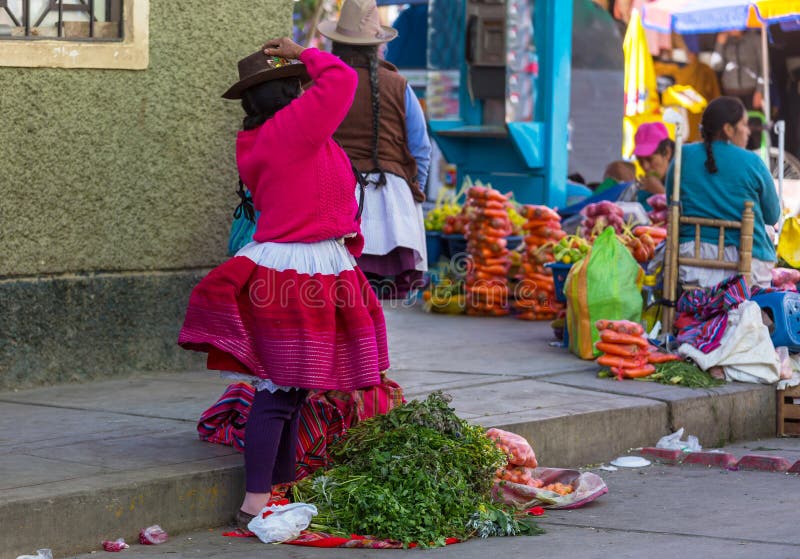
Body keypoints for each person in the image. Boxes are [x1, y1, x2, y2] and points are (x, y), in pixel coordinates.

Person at [177, 37, 389, 529]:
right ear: (283, 92)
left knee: (292, 389)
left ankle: (280, 487)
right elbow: (342, 79)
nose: (302, 86)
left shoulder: (261, 138)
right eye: (295, 81)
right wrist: (305, 50)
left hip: (300, 264)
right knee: (279, 393)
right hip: (300, 272)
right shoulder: (293, 130)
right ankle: (256, 500)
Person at [318, 0, 432, 300]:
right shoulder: (398, 84)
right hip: (393, 209)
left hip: (336, 202)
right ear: (376, 47)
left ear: (338, 45)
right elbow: (421, 148)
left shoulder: (322, 84)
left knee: (338, 298)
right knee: (376, 306)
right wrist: (414, 190)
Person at [666, 96, 780, 288]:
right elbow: (772, 215)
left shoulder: (682, 156)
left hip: (690, 266)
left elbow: (671, 205)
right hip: (746, 271)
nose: (748, 131)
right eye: (744, 125)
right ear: (728, 129)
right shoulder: (752, 162)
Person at [710, 30, 764, 111]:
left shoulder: (755, 39)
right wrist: (719, 44)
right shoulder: (724, 40)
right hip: (730, 93)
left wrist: (759, 92)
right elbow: (717, 66)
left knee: (752, 121)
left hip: (751, 93)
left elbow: (764, 67)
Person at [633, 121, 674, 209]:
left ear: (667, 152)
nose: (645, 167)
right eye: (640, 160)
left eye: (649, 159)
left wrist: (661, 192)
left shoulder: (686, 176)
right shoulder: (646, 189)